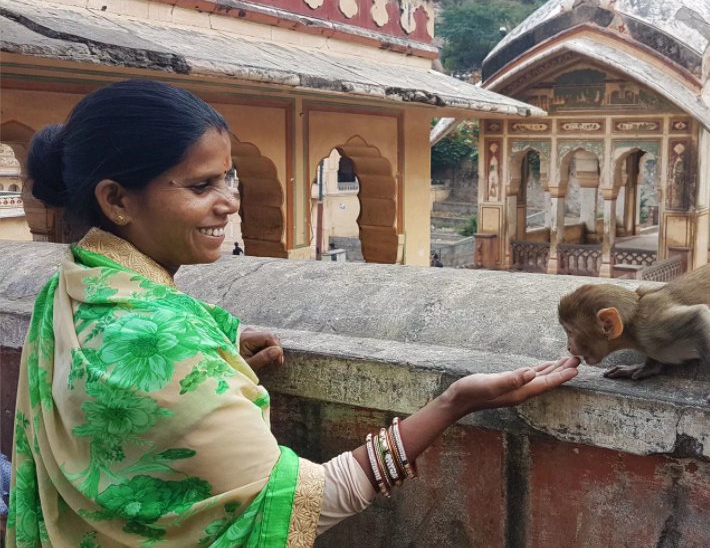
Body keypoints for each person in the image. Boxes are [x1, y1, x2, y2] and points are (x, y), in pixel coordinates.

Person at [6, 80, 580, 546]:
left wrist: (221, 344)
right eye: (201, 184)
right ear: (116, 200)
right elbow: (313, 501)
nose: (229, 201)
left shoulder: (73, 289)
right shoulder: (166, 343)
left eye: (227, 177)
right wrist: (457, 401)